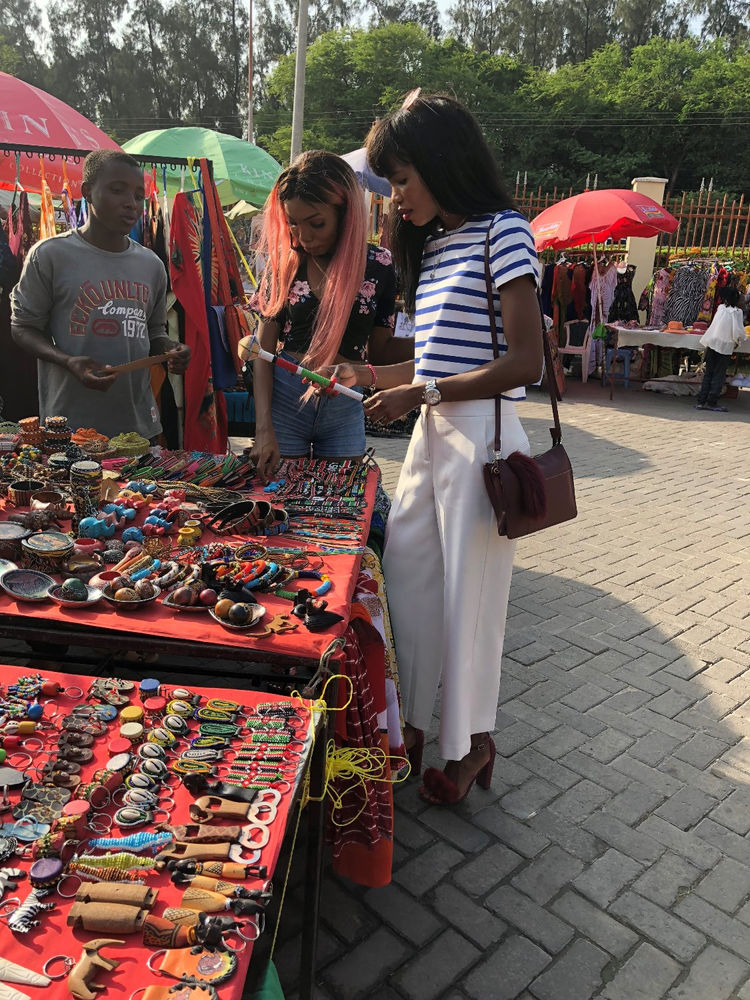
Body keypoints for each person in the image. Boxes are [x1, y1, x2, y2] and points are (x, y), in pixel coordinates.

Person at [324, 94, 543, 804]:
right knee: (412, 586)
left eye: (404, 178)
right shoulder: (437, 243)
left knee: (470, 602)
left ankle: (471, 744)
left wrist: (421, 394)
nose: (397, 195)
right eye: (389, 182)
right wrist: (367, 375)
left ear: (444, 162)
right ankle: (413, 724)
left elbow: (525, 363)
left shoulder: (503, 232)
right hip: (433, 437)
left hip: (482, 441)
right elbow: (428, 360)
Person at [249, 150, 411, 482]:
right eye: (292, 222)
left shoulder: (379, 266)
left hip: (344, 404)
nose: (303, 236)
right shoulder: (285, 264)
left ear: (346, 214)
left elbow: (380, 351)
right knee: (279, 502)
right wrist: (263, 427)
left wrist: (437, 347)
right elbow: (262, 354)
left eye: (316, 222)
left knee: (341, 506)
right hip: (285, 401)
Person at [11, 150, 190, 440]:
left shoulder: (152, 266)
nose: (131, 204)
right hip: (69, 431)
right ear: (88, 193)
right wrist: (68, 361)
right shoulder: (50, 256)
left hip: (138, 430)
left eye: (138, 196)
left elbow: (154, 334)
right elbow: (22, 328)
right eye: (117, 191)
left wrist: (172, 350)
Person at [695, 286, 744, 412]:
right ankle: (711, 402)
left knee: (709, 373)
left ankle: (701, 401)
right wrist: (739, 340)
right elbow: (738, 332)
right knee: (719, 374)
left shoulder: (721, 309)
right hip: (726, 345)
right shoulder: (738, 313)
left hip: (713, 342)